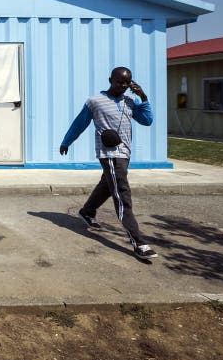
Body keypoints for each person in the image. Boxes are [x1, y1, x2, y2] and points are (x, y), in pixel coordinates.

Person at [59, 67, 158, 260]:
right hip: (110, 154)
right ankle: (138, 242)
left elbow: (147, 121)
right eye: (119, 81)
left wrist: (143, 97)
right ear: (110, 80)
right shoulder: (95, 101)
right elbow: (80, 123)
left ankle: (87, 211)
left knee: (107, 184)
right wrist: (66, 141)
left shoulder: (130, 101)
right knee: (122, 193)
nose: (123, 85)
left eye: (127, 82)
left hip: (125, 152)